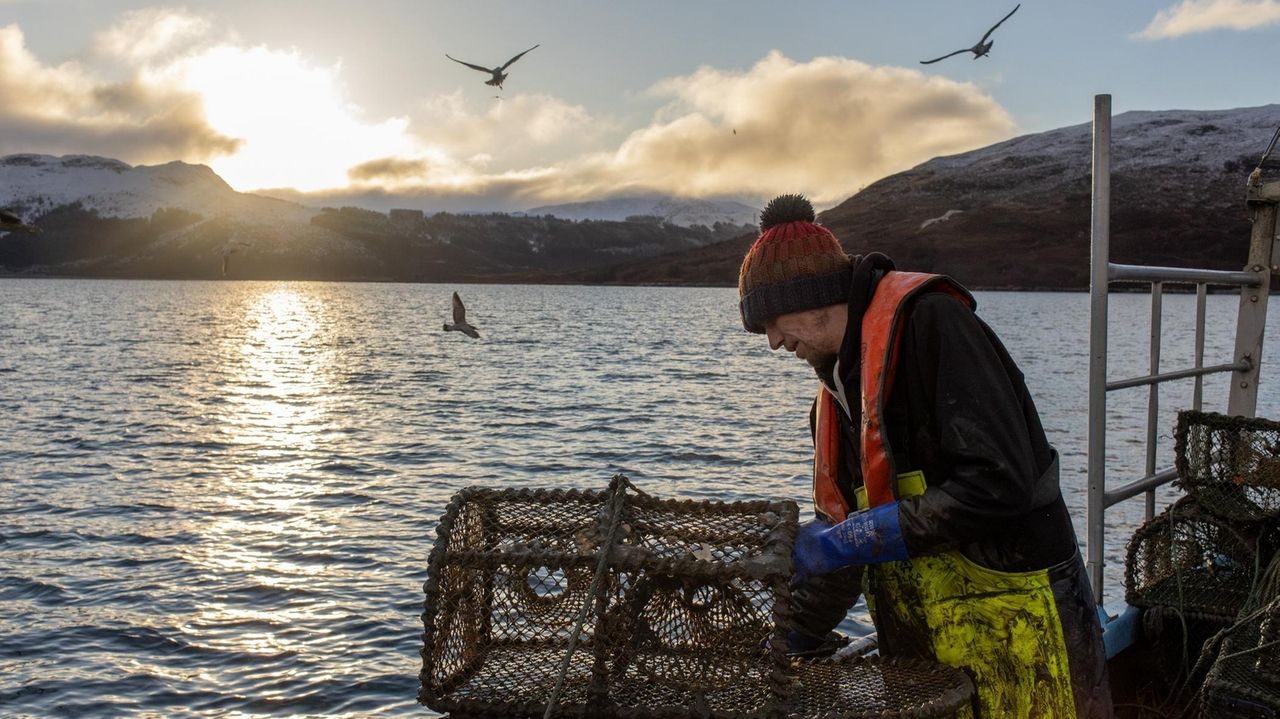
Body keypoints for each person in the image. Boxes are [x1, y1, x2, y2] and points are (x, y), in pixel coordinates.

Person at [738, 194, 1112, 718]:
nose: (775, 343)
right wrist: (792, 635)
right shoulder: (829, 406)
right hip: (923, 652)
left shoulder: (935, 327)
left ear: (818, 295)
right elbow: (837, 553)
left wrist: (856, 537)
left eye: (774, 322)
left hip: (1024, 623)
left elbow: (999, 483)